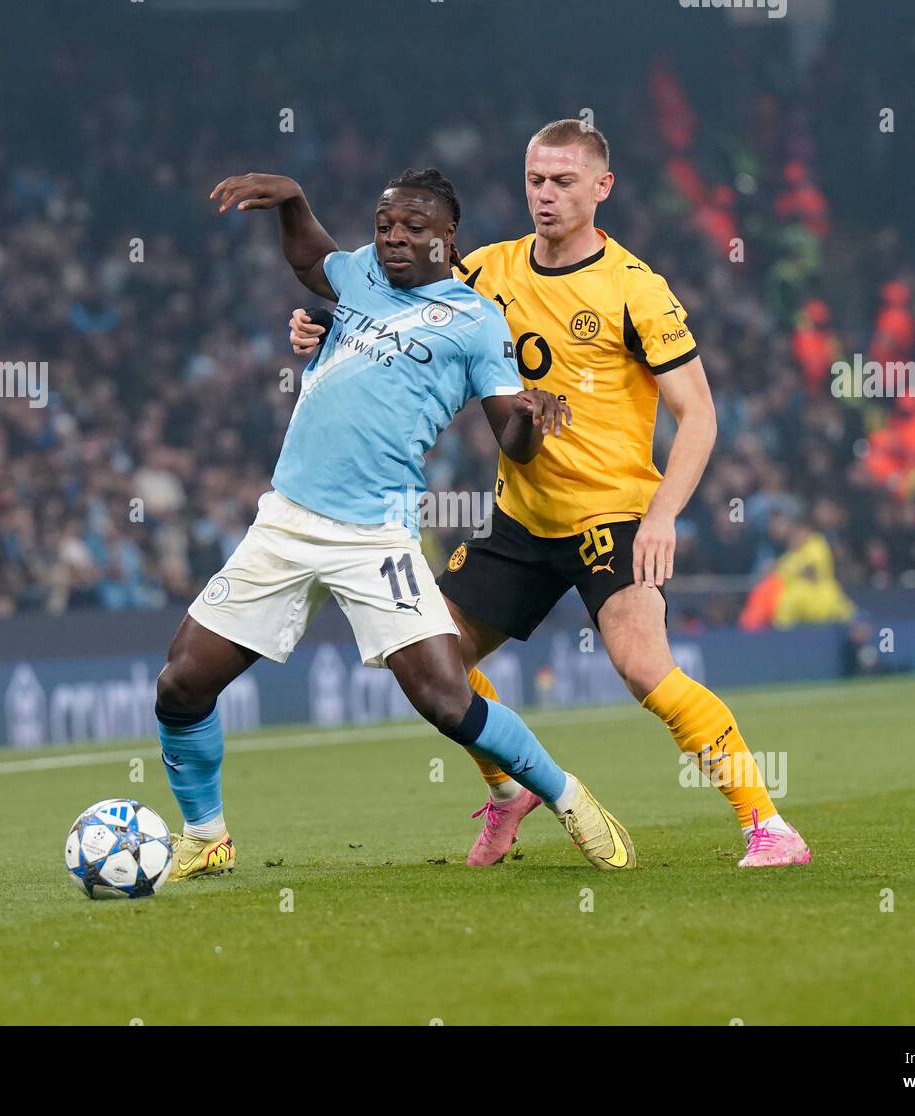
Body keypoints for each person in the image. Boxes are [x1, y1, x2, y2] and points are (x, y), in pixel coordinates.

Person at [291, 121, 810, 869]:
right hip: (522, 519)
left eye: (564, 182)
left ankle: (767, 826)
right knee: (429, 659)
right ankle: (510, 790)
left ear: (602, 188)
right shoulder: (490, 269)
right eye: (536, 180)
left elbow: (699, 415)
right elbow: (397, 317)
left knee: (643, 669)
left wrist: (663, 515)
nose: (546, 195)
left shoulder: (634, 288)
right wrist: (324, 327)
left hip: (610, 516)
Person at [155, 168, 635, 881]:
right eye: (385, 228)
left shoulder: (476, 321)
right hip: (285, 520)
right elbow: (306, 256)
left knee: (445, 698)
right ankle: (208, 836)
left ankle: (565, 795)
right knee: (181, 686)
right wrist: (293, 198)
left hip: (374, 534)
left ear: (448, 237)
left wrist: (531, 423)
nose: (395, 240)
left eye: (413, 228)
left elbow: (511, 438)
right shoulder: (359, 278)